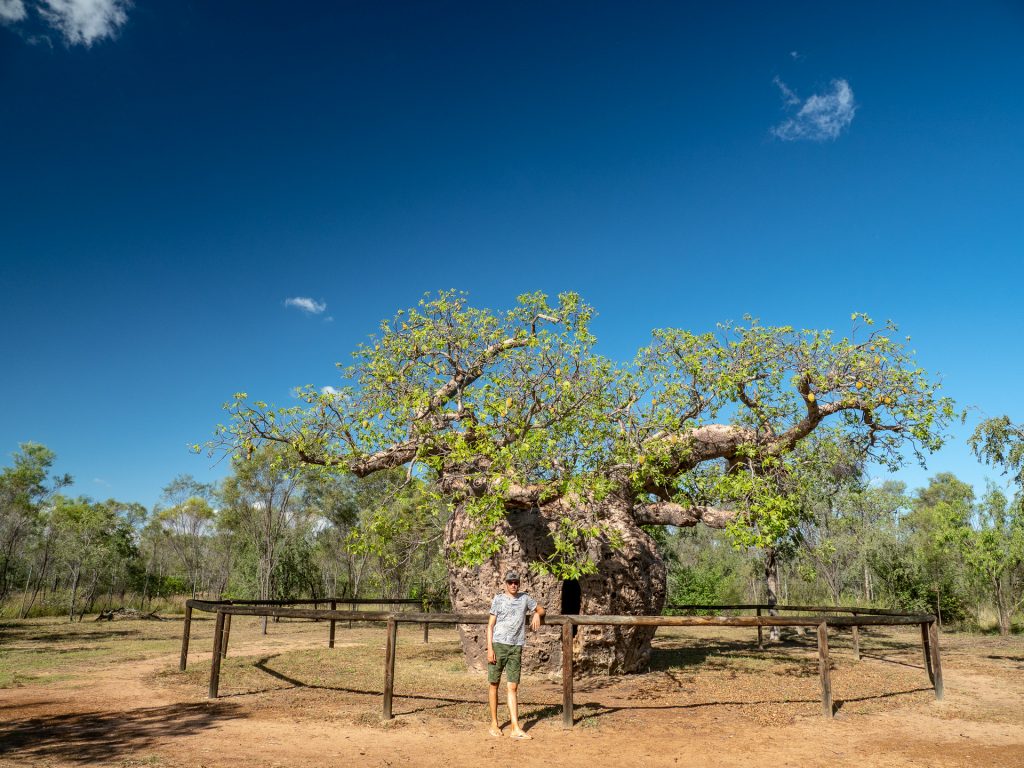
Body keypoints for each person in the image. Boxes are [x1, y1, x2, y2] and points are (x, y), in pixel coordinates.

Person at [486, 570, 545, 740]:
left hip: (516, 647)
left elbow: (541, 608)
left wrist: (536, 613)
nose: (513, 585)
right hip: (498, 645)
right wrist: (490, 648)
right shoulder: (498, 599)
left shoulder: (525, 599)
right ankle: (494, 723)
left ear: (519, 583)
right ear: (506, 583)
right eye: (510, 582)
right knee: (494, 683)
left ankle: (515, 727)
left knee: (513, 687)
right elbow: (490, 626)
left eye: (516, 582)